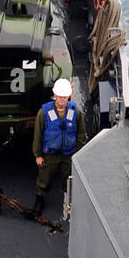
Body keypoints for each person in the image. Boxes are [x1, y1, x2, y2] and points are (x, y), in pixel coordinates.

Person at [32, 78, 85, 215]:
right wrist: (38, 154)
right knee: (44, 179)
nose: (62, 100)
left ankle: (70, 202)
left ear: (69, 96)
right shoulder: (44, 113)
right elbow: (38, 135)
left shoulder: (76, 112)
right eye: (59, 97)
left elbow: (80, 135)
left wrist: (78, 155)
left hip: (69, 154)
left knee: (68, 179)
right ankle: (40, 199)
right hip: (50, 154)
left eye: (64, 97)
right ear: (54, 95)